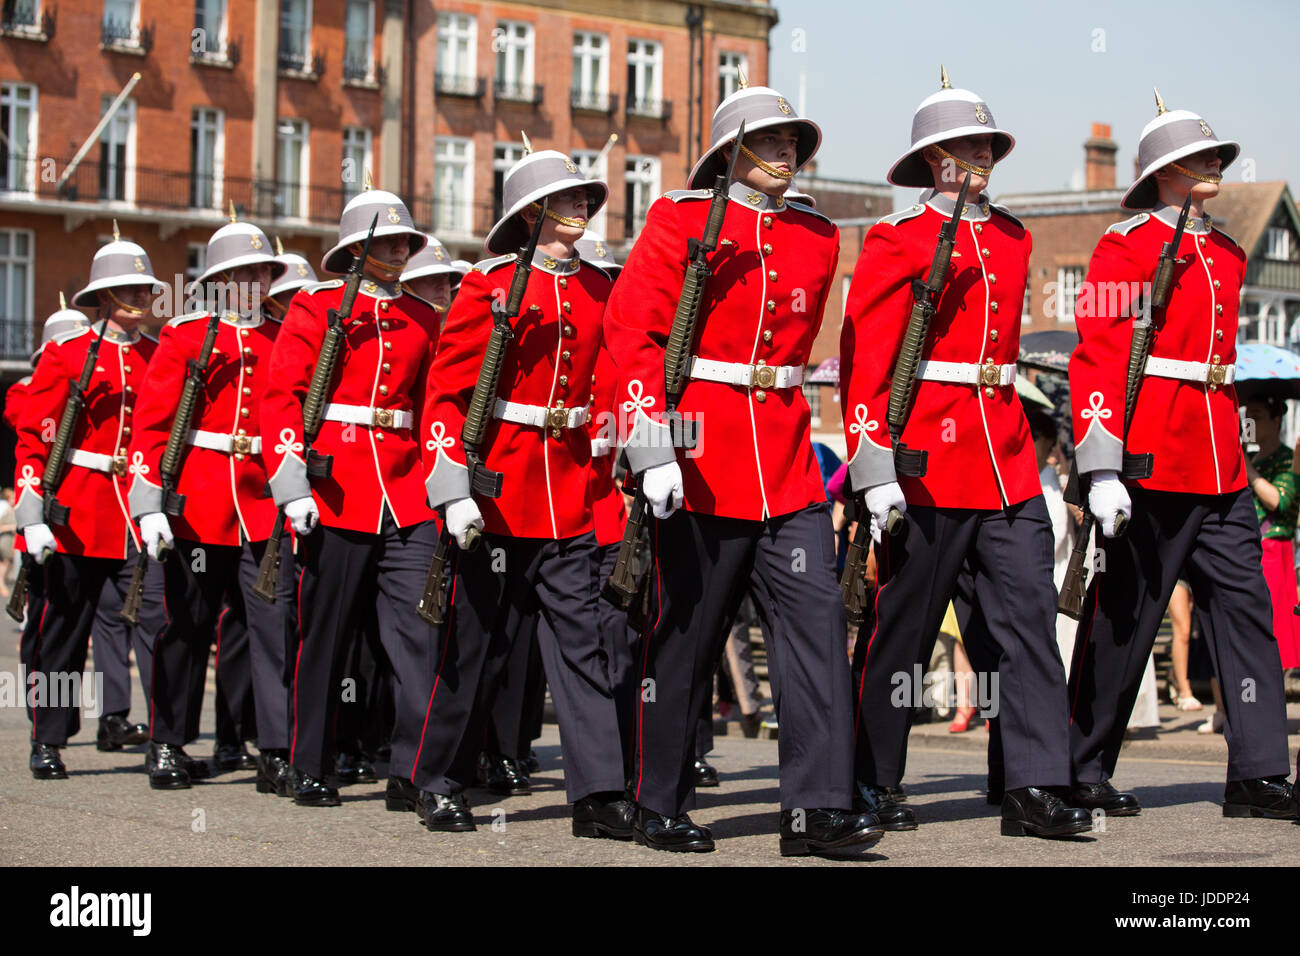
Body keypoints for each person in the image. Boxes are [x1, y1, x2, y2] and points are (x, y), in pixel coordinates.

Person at [604, 82, 881, 857]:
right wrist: (649, 441)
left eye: (795, 139)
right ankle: (656, 800)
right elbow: (633, 331)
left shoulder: (819, 238)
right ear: (731, 151)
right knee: (687, 635)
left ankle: (815, 809)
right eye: (773, 138)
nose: (789, 150)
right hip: (701, 453)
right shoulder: (680, 220)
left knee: (819, 628)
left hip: (786, 458)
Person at [841, 69, 1090, 838]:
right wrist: (870, 455)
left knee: (1028, 622)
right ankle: (869, 778)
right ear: (931, 158)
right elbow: (868, 358)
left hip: (1006, 451)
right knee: (905, 630)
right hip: (926, 451)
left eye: (985, 143)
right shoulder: (896, 238)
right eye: (961, 146)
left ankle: (1034, 784)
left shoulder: (1014, 236)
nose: (978, 155)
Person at [1068, 91, 1296, 819]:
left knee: (1246, 610)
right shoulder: (1124, 245)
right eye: (1197, 157)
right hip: (1152, 457)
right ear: (1164, 171)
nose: (1213, 165)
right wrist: (1101, 464)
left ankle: (1258, 771)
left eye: (1215, 155)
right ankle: (1080, 764)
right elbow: (1098, 356)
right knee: (1127, 617)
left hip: (1221, 459)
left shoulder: (1226, 251)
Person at [416, 146, 631, 839]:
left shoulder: (599, 289)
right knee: (474, 648)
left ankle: (597, 791)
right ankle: (440, 779)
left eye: (583, 198)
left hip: (569, 495)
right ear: (533, 212)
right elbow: (446, 395)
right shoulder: (487, 288)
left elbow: (611, 386)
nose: (582, 207)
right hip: (498, 497)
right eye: (567, 199)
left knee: (580, 645)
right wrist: (451, 485)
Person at [262, 184, 443, 808]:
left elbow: (428, 409)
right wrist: (291, 484)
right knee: (326, 635)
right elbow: (281, 396)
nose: (399, 249)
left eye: (405, 241)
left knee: (417, 637)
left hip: (405, 492)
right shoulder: (317, 309)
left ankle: (414, 771)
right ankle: (308, 762)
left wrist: (441, 488)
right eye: (387, 241)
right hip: (335, 489)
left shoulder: (424, 317)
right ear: (356, 250)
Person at [127, 214, 296, 791]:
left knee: (272, 626)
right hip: (197, 503)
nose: (253, 278)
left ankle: (275, 746)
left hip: (264, 502)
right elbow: (150, 427)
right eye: (241, 270)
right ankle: (168, 743)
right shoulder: (184, 336)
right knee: (186, 627)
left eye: (260, 270)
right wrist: (148, 503)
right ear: (219, 279)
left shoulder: (280, 335)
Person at [14, 230, 167, 780]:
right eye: (128, 288)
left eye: (145, 288)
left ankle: (164, 740)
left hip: (139, 506)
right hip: (79, 507)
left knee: (155, 624)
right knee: (63, 628)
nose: (141, 298)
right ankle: (47, 738)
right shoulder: (67, 355)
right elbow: (36, 435)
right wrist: (31, 514)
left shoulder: (159, 354)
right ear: (105, 295)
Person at [1243, 394, 1300, 669]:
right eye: (1247, 414)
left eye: (1258, 415)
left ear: (1277, 420)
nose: (1249, 420)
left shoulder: (1289, 459)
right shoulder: (1247, 456)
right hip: (1245, 549)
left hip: (1273, 551)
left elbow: (1279, 500)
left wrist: (1248, 469)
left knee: (1272, 632)